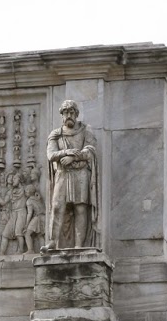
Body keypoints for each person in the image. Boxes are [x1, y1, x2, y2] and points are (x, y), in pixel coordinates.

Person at [43, 100, 99, 250]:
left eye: (72, 112)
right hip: (62, 174)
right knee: (57, 207)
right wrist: (66, 152)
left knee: (80, 208)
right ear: (62, 115)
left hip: (81, 173)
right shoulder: (56, 134)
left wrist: (73, 157)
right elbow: (51, 155)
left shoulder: (86, 130)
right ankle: (53, 241)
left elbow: (90, 151)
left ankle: (79, 245)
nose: (69, 115)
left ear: (76, 114)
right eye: (66, 112)